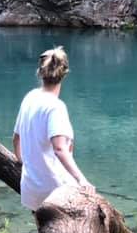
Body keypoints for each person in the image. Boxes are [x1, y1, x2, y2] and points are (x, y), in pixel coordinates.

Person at [13, 46, 94, 211]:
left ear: (40, 72)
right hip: (55, 190)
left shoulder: (30, 97)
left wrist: (22, 160)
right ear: (64, 74)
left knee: (42, 230)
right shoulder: (56, 107)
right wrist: (82, 179)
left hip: (31, 188)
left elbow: (16, 138)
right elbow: (59, 148)